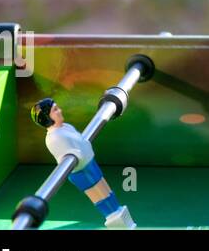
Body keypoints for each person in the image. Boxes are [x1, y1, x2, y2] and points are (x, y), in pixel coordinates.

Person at [31, 98, 135, 228]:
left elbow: (79, 140)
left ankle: (118, 211)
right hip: (81, 171)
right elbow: (68, 154)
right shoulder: (54, 137)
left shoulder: (65, 127)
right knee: (99, 195)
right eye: (55, 110)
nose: (60, 111)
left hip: (89, 163)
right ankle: (114, 219)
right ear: (47, 117)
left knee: (105, 189)